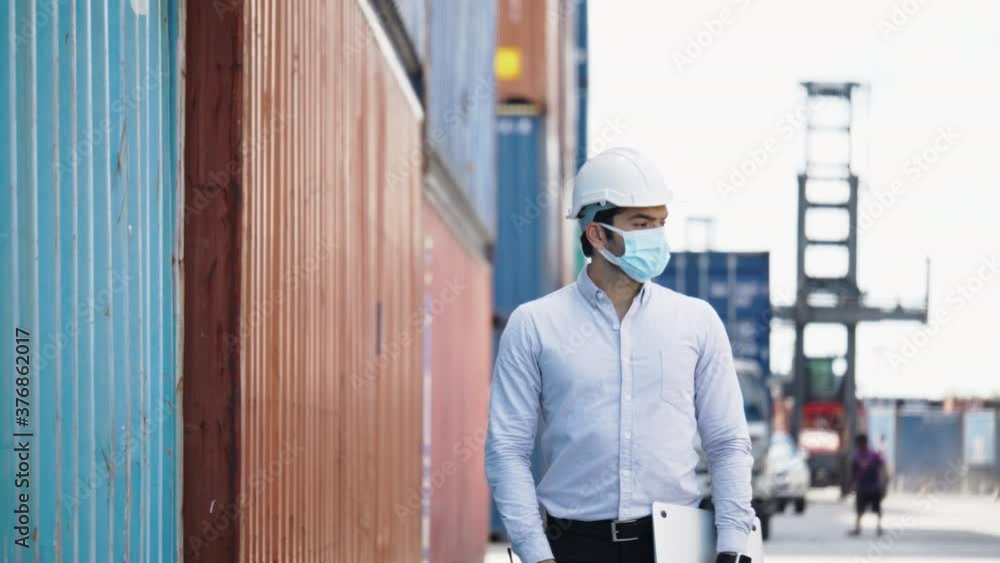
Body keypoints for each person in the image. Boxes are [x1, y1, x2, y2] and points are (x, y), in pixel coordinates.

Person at [485, 147, 755, 563]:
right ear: (597, 234)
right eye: (641, 224)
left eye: (661, 223)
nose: (657, 236)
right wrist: (535, 554)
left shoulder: (696, 322)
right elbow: (507, 450)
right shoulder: (535, 325)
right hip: (571, 547)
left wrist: (734, 547)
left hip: (675, 546)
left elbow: (728, 443)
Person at [849, 434, 887, 537]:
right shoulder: (856, 456)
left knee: (877, 509)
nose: (860, 445)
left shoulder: (873, 455)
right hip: (862, 487)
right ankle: (857, 527)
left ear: (865, 443)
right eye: (859, 444)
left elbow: (883, 467)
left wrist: (883, 485)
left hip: (874, 487)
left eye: (862, 443)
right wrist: (853, 485)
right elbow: (853, 472)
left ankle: (879, 527)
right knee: (859, 509)